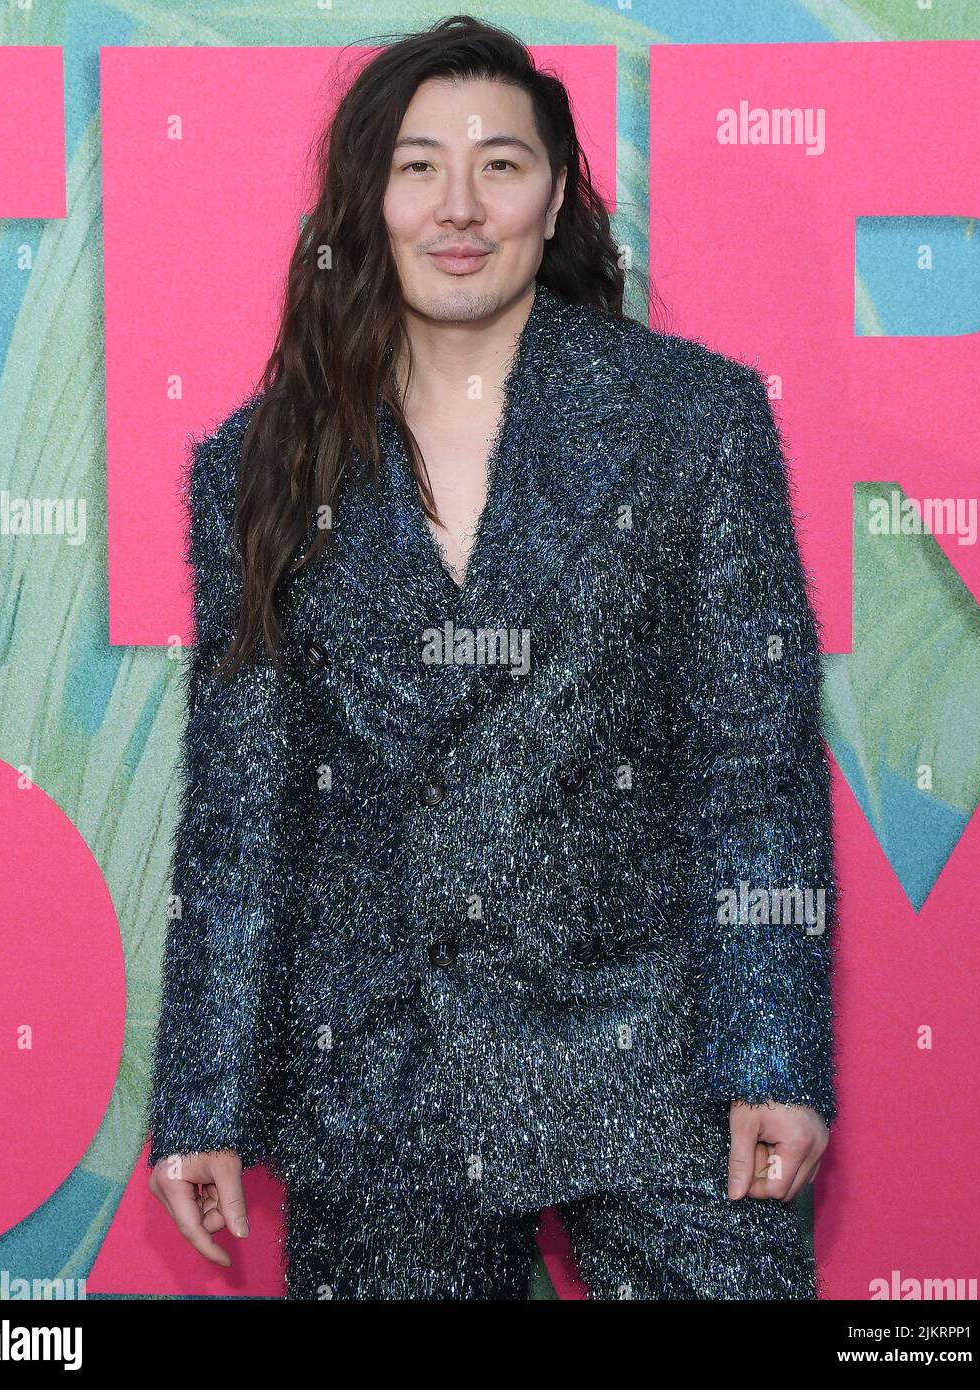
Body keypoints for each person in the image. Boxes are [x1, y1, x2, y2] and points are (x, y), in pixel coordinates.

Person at [146, 14, 837, 1300]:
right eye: (417, 166)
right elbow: (242, 815)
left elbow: (755, 770)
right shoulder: (257, 468)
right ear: (366, 198)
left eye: (499, 164)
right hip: (381, 1061)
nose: (458, 206)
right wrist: (203, 1088)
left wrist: (773, 1053)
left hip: (655, 1046)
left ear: (556, 193)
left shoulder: (693, 421)